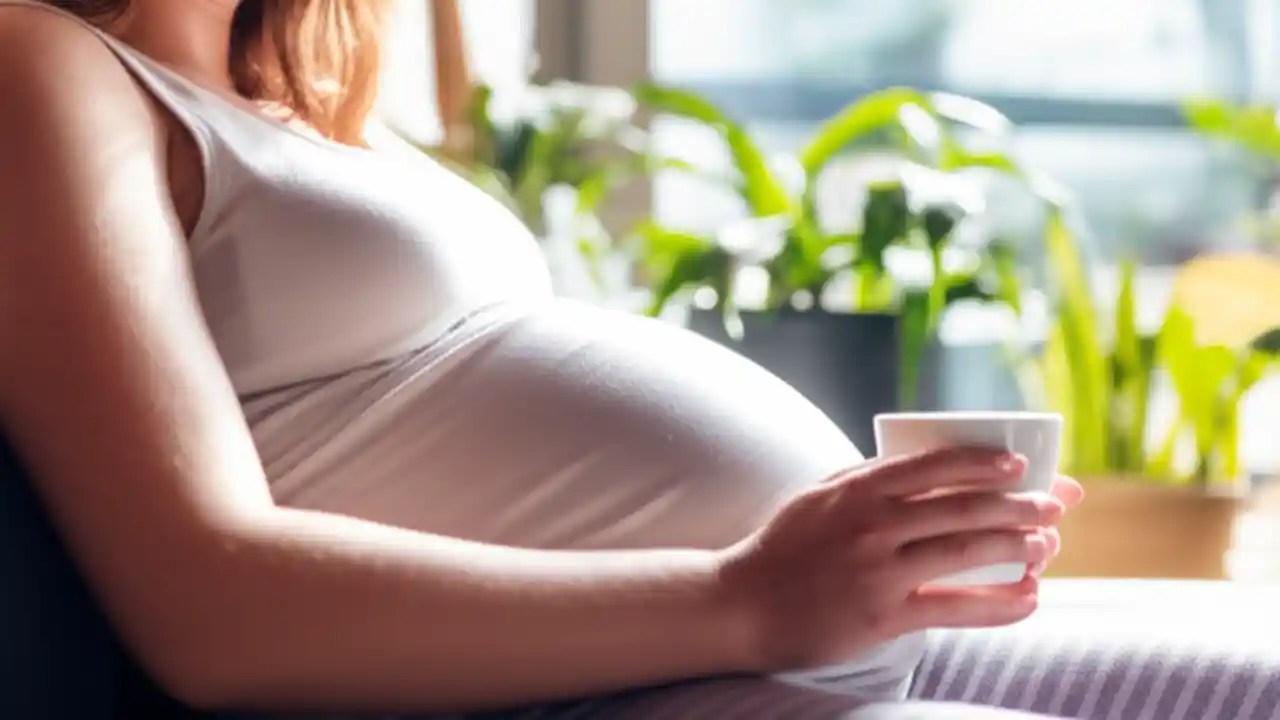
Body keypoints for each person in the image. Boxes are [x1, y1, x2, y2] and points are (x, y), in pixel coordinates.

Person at [0, 1, 1083, 717]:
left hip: (763, 663)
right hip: (609, 682)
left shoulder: (302, 101)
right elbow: (209, 610)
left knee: (1243, 685)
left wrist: (878, 556)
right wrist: (745, 593)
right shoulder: (38, 58)